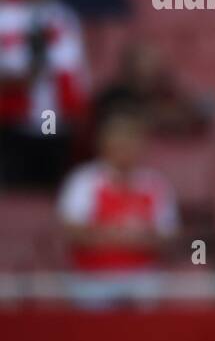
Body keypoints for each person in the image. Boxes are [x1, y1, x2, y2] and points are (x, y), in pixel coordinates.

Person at [58, 105, 179, 304]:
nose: (126, 149)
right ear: (104, 145)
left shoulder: (156, 184)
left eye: (132, 141)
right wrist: (123, 235)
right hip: (94, 277)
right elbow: (73, 232)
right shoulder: (83, 181)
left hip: (142, 276)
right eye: (120, 142)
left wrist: (132, 238)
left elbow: (168, 234)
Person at [0, 0, 89, 189]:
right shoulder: (5, 16)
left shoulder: (62, 16)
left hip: (50, 113)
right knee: (15, 184)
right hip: (13, 116)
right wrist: (22, 76)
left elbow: (75, 67)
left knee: (49, 179)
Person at [93, 42, 215, 139]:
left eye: (153, 60)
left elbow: (195, 115)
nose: (149, 67)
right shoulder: (114, 96)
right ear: (130, 65)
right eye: (144, 60)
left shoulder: (168, 91)